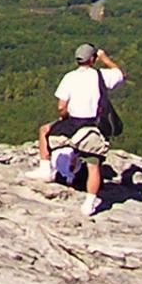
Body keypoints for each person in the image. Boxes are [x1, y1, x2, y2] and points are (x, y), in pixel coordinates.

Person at [27, 43, 124, 216]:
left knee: (44, 131)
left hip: (72, 123)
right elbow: (119, 73)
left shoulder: (70, 77)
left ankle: (45, 169)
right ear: (92, 59)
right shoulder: (101, 76)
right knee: (94, 166)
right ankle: (89, 203)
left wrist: (63, 117)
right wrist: (105, 58)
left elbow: (61, 106)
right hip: (93, 126)